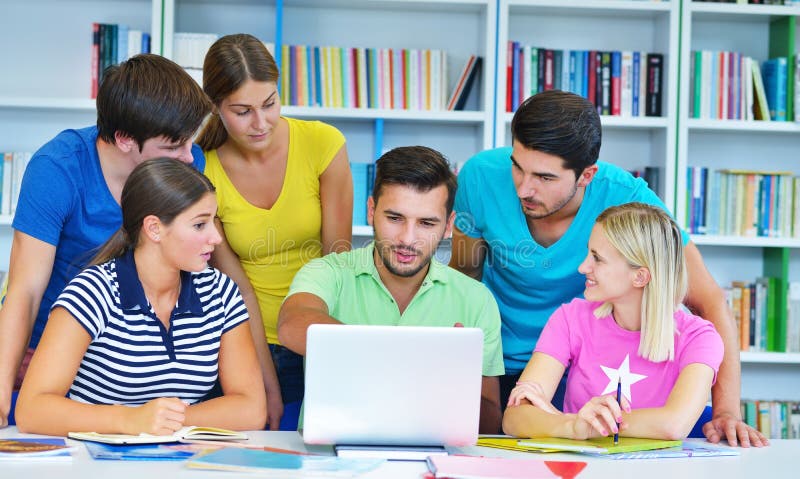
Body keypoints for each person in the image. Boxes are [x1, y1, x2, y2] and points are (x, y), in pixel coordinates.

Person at [450, 89, 767, 447]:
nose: (524, 188)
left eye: (545, 178)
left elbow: (708, 301)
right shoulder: (479, 177)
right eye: (517, 166)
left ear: (586, 175)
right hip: (505, 359)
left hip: (585, 362)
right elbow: (464, 280)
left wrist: (726, 412)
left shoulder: (627, 198)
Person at [0, 54, 212, 428]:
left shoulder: (186, 158)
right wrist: (2, 388)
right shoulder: (58, 169)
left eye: (189, 142)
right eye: (173, 146)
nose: (189, 158)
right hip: (54, 353)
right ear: (125, 139)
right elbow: (25, 289)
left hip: (132, 361)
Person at [14, 158, 266, 435]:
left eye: (213, 222)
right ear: (154, 228)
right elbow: (31, 410)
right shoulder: (92, 292)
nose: (216, 238)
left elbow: (251, 409)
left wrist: (165, 420)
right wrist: (129, 420)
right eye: (199, 225)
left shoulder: (221, 292)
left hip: (180, 462)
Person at [276, 146, 505, 434]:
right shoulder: (329, 272)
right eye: (395, 218)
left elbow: (489, 424)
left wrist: (455, 378)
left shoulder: (475, 299)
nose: (407, 239)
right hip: (330, 456)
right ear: (371, 211)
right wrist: (409, 363)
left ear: (448, 226)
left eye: (426, 223)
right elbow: (292, 324)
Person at [196, 33, 353, 430]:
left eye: (269, 103)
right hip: (241, 342)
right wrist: (266, 384)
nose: (261, 123)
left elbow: (337, 262)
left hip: (318, 334)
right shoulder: (201, 166)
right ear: (215, 107)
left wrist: (329, 351)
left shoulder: (323, 143)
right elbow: (237, 289)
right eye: (242, 111)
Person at [502, 203, 723, 441]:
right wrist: (574, 425)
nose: (582, 267)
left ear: (640, 276)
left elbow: (673, 424)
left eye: (597, 258)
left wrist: (577, 423)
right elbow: (514, 418)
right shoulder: (570, 318)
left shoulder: (699, 338)